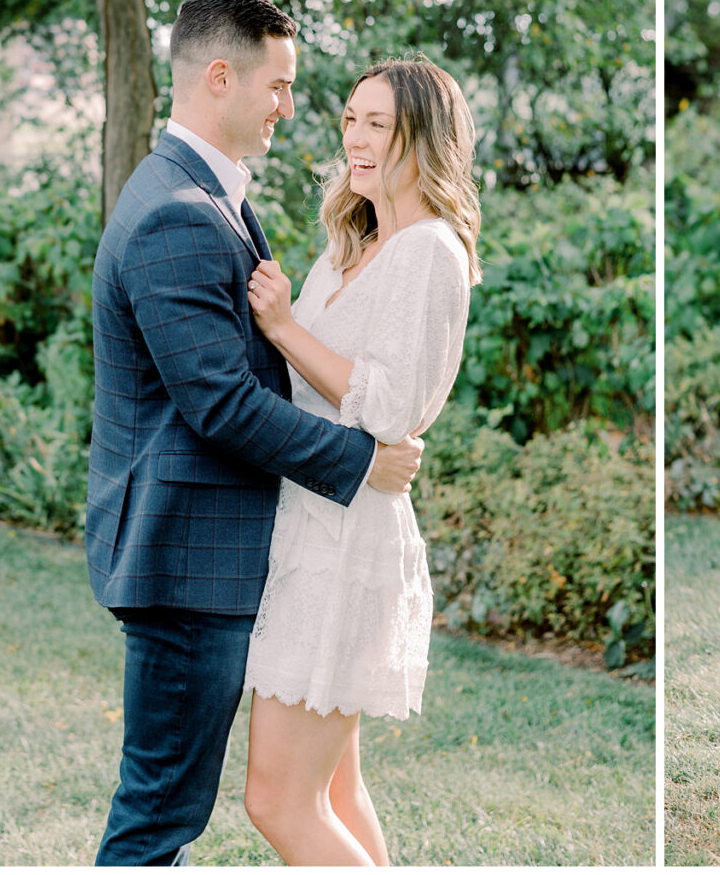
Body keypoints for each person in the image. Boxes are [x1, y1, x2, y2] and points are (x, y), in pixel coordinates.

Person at [86, 0, 425, 866]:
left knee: (188, 802)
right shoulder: (176, 213)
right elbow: (220, 405)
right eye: (277, 86)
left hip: (213, 558)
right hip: (186, 562)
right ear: (222, 76)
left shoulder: (211, 197)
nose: (287, 107)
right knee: (159, 812)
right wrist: (363, 461)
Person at [241, 58, 479, 864]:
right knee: (335, 792)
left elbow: (387, 409)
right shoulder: (351, 248)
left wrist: (283, 329)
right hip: (307, 524)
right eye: (351, 118)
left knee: (277, 798)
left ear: (423, 137)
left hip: (345, 544)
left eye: (378, 123)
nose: (357, 137)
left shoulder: (428, 252)